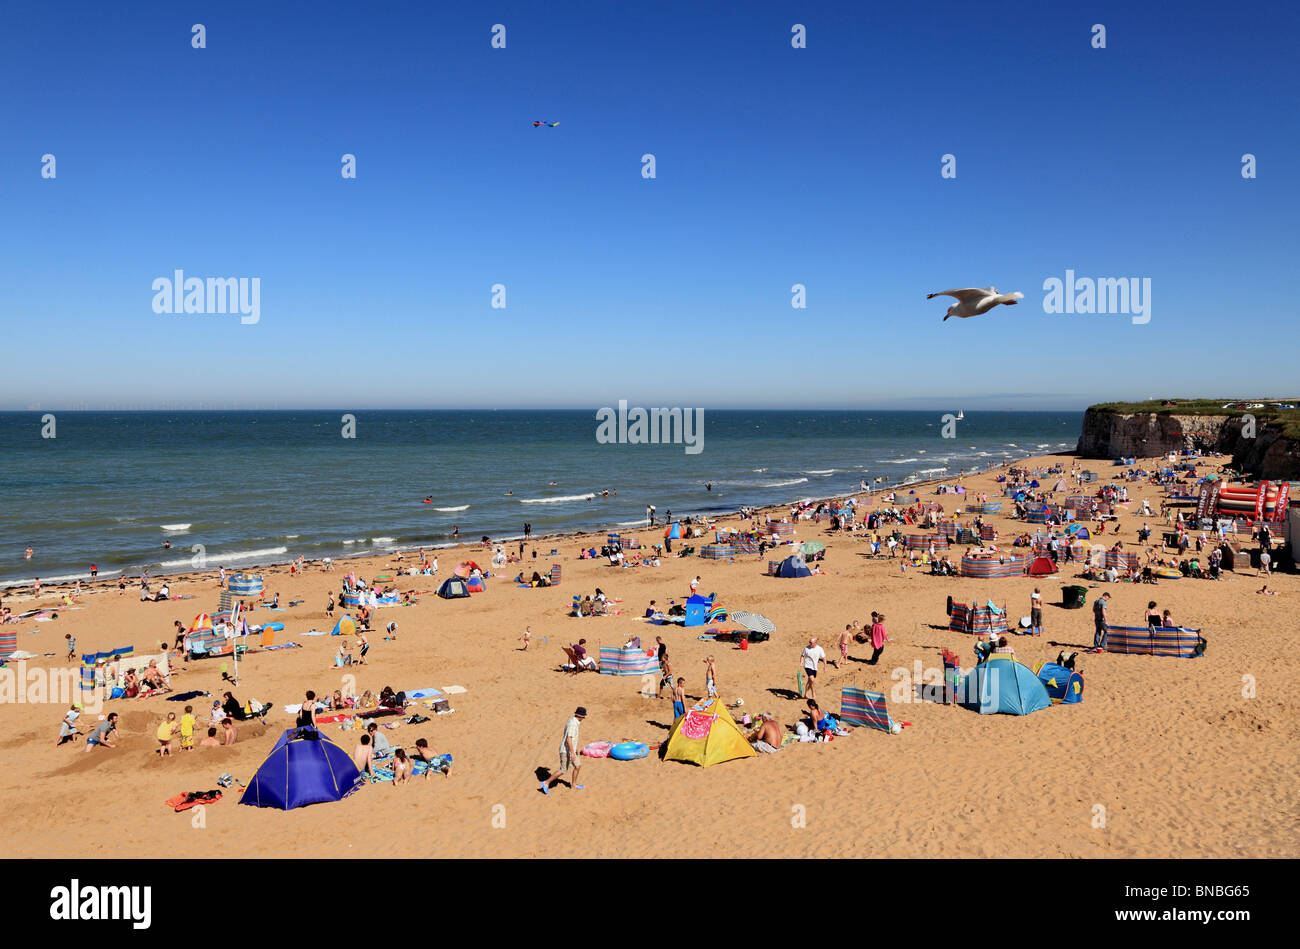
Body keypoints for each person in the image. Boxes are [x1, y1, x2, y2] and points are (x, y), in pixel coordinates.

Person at [541, 706, 586, 794]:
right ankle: (546, 783)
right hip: (566, 751)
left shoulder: (573, 721)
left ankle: (574, 784)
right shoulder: (573, 724)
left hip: (571, 750)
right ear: (580, 716)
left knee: (578, 765)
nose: (584, 718)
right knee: (563, 770)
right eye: (584, 716)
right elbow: (568, 739)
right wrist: (572, 753)